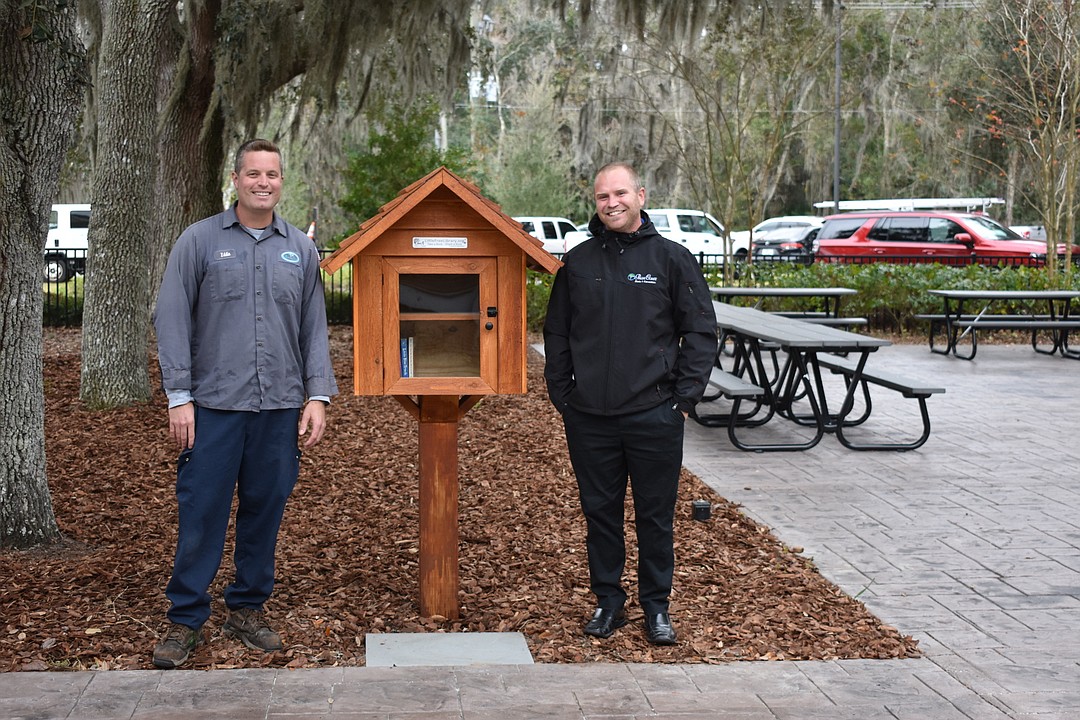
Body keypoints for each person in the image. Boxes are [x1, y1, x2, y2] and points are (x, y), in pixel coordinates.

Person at [151, 139, 338, 669]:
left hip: (278, 408)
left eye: (272, 174)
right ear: (235, 179)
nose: (263, 182)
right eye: (253, 173)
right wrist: (179, 397)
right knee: (202, 513)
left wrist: (317, 396)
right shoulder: (200, 241)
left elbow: (312, 329)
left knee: (264, 512)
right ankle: (185, 619)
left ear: (282, 181)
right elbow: (171, 319)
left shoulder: (298, 249)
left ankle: (247, 608)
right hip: (212, 408)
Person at [543, 162, 717, 645]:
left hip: (654, 415)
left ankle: (657, 608)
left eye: (620, 193)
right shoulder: (577, 262)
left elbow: (700, 332)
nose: (611, 203)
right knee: (600, 513)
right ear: (595, 203)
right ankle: (609, 602)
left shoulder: (672, 259)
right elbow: (556, 332)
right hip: (590, 418)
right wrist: (563, 393)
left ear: (640, 195)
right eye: (602, 196)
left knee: (655, 515)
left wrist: (682, 400)